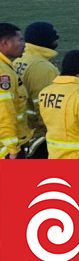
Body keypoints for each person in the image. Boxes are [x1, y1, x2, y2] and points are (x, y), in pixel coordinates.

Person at [15, 20, 60, 158]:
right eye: (54, 37)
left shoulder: (19, 60)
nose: (57, 40)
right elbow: (45, 105)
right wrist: (52, 130)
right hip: (39, 136)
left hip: (24, 130)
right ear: (45, 40)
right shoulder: (43, 67)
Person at [0, 23, 31, 159]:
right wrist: (13, 149)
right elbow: (4, 111)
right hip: (7, 150)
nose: (24, 44)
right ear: (5, 43)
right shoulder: (3, 73)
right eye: (20, 40)